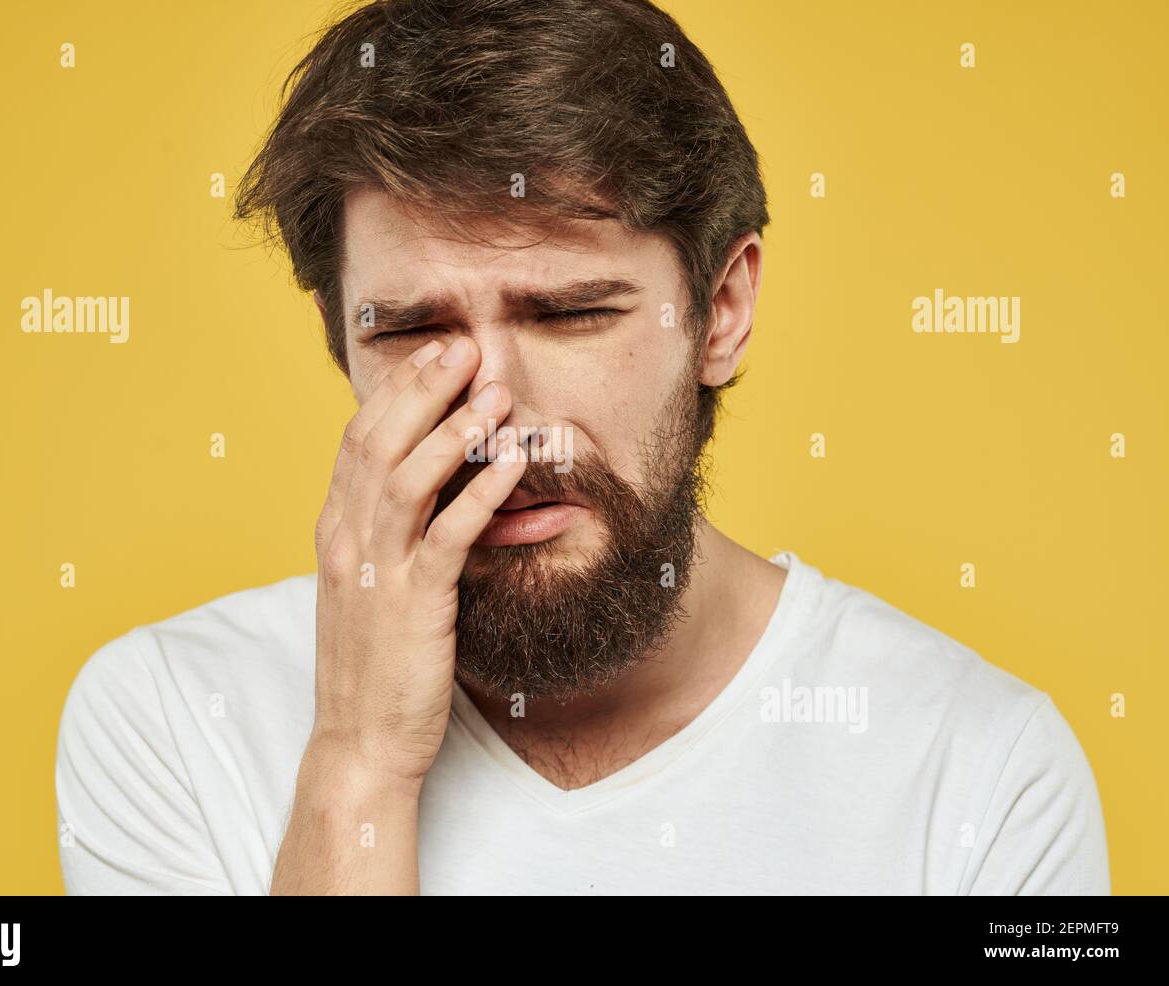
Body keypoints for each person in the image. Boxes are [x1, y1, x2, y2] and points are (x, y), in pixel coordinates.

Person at [55, 0, 1109, 895]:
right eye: (414, 333)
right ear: (342, 340)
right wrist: (357, 761)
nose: (499, 413)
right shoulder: (166, 716)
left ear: (721, 311)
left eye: (567, 313)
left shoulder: (982, 767)